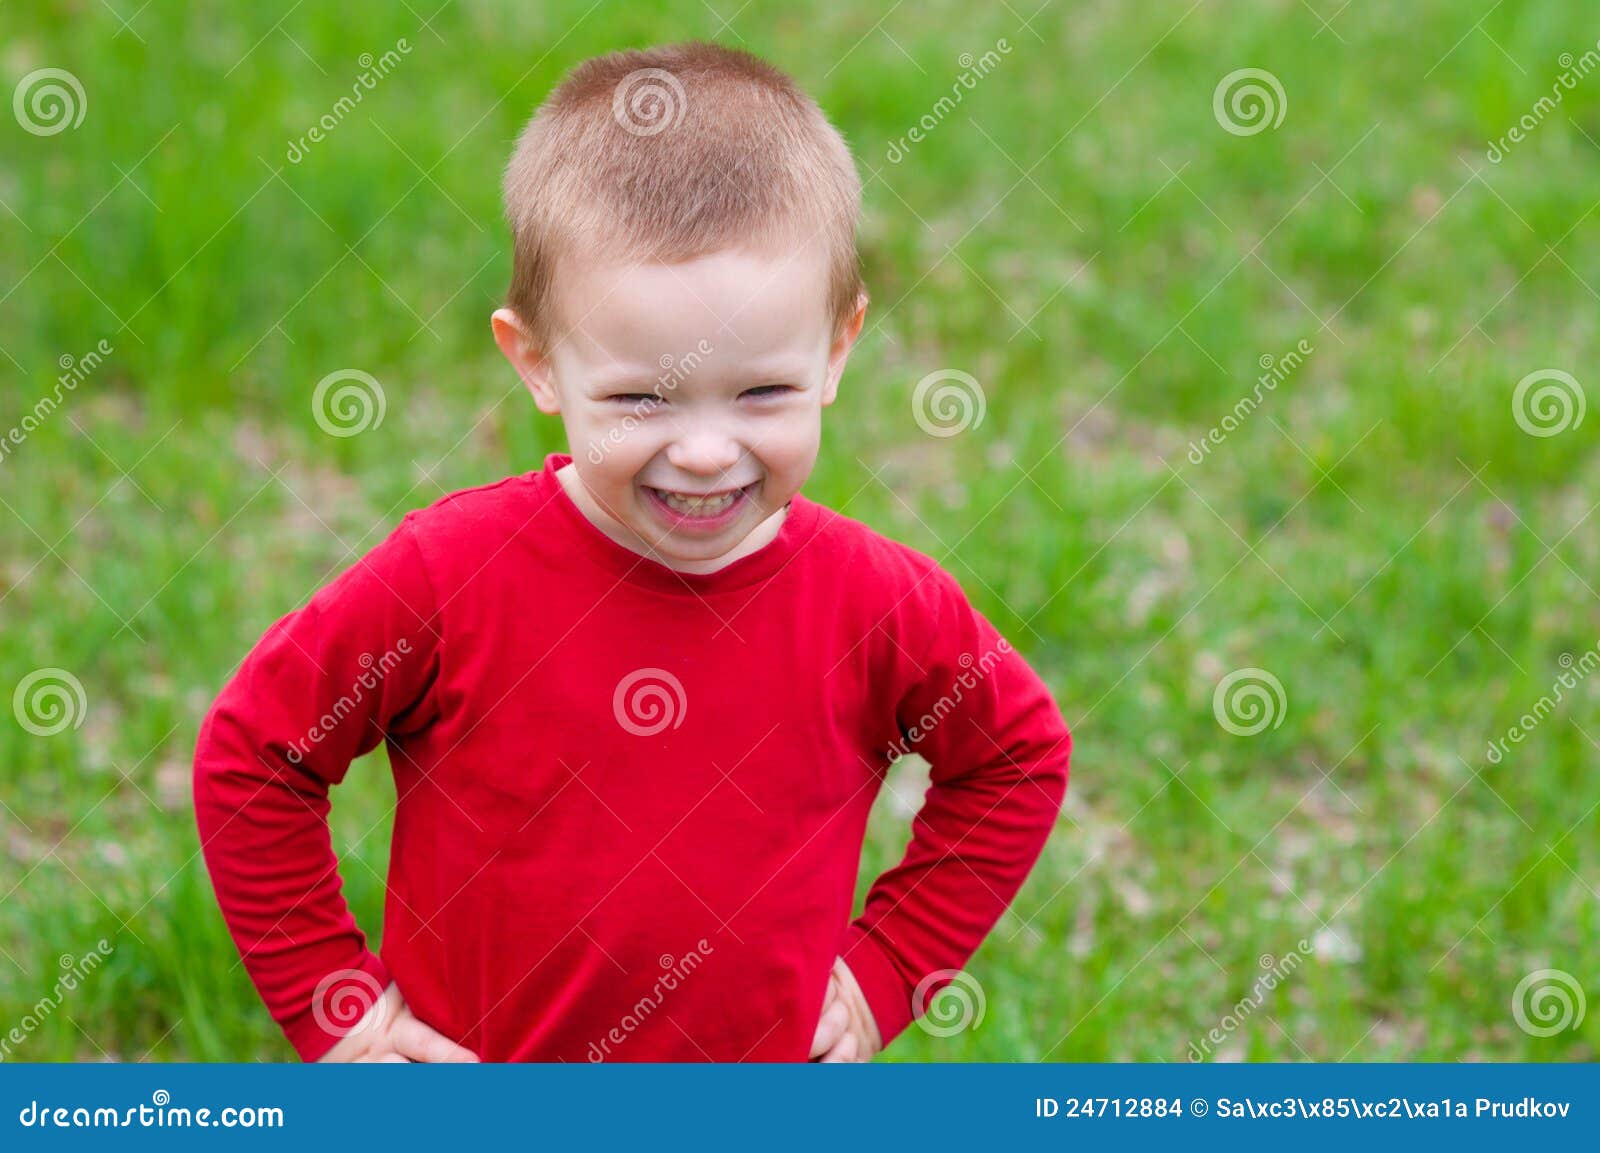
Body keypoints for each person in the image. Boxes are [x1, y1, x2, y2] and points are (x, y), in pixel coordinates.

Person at [193, 40, 1070, 1063]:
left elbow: (1015, 756)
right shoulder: (452, 575)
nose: (704, 451)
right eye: (641, 398)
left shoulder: (875, 604)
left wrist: (888, 970)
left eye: (762, 392)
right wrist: (338, 1007)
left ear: (837, 348)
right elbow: (257, 755)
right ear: (537, 362)